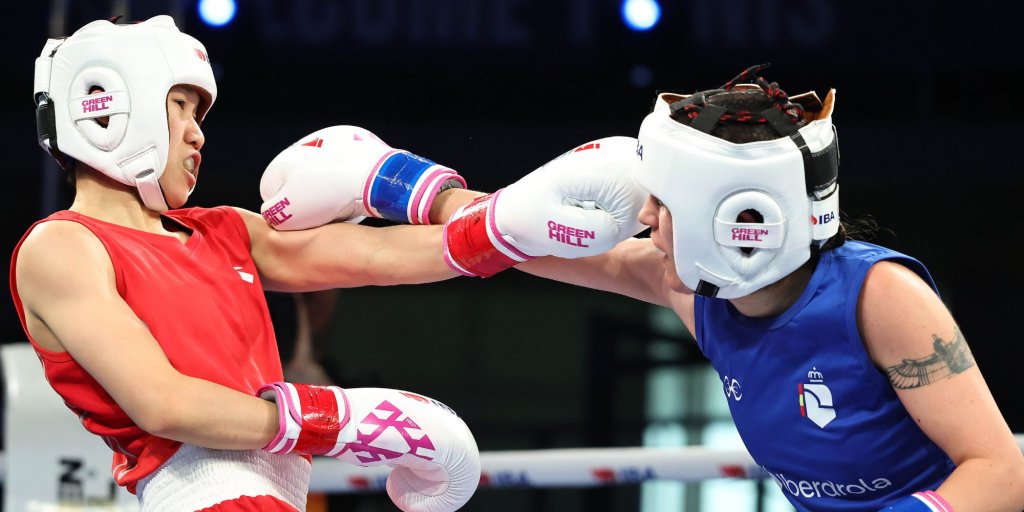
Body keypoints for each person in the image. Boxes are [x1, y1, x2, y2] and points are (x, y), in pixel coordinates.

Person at [438, 64, 1024, 511]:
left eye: (664, 203)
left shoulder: (880, 297)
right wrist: (409, 188)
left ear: (738, 222)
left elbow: (1002, 472)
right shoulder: (698, 296)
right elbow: (516, 237)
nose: (644, 213)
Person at [12, 16, 495, 512]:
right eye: (180, 106)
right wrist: (340, 420)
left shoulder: (225, 231)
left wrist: (503, 218)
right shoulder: (61, 246)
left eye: (199, 117)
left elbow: (380, 256)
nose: (198, 137)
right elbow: (164, 403)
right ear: (109, 103)